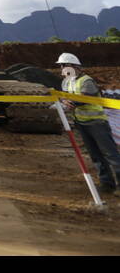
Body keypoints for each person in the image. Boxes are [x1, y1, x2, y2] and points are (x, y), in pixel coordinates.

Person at [56, 52, 120, 192]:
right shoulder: (66, 81)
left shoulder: (86, 81)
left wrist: (70, 101)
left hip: (96, 123)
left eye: (64, 65)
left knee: (111, 154)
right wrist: (64, 101)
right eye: (61, 66)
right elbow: (64, 97)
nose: (62, 69)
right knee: (95, 155)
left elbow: (85, 98)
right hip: (81, 122)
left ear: (74, 66)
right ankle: (106, 184)